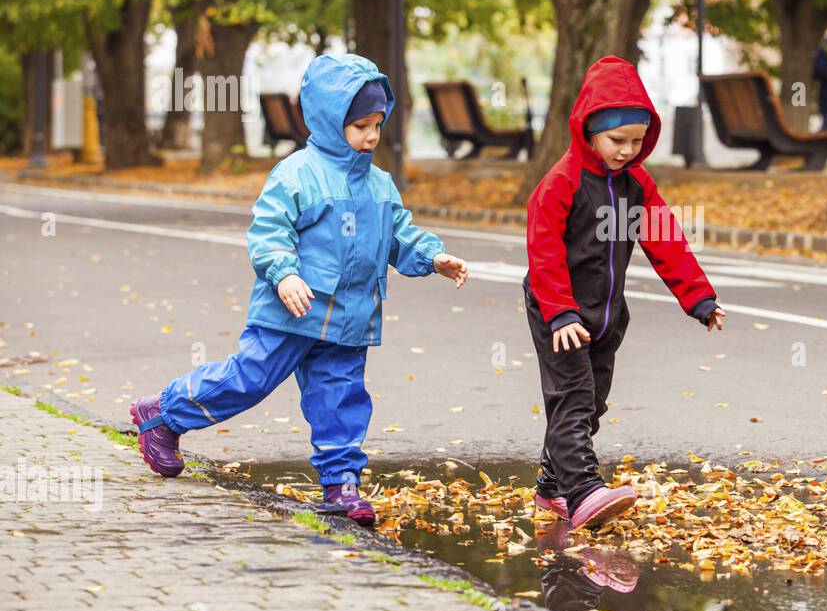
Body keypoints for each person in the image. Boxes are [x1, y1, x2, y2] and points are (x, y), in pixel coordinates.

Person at [128, 53, 469, 526]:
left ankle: (341, 484)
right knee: (247, 379)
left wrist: (433, 257)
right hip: (292, 310)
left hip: (349, 317)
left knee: (341, 397)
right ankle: (163, 415)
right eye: (360, 126)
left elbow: (400, 235)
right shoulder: (297, 174)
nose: (371, 136)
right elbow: (269, 232)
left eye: (377, 124)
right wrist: (285, 273)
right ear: (332, 122)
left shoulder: (381, 185)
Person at [523, 55, 726, 531]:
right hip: (561, 314)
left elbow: (664, 239)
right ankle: (583, 492)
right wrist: (560, 313)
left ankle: (552, 487)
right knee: (571, 398)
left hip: (607, 314)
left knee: (592, 403)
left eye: (637, 142)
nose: (626, 151)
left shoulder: (636, 185)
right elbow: (544, 252)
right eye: (617, 140)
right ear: (589, 131)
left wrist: (699, 299)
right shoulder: (562, 183)